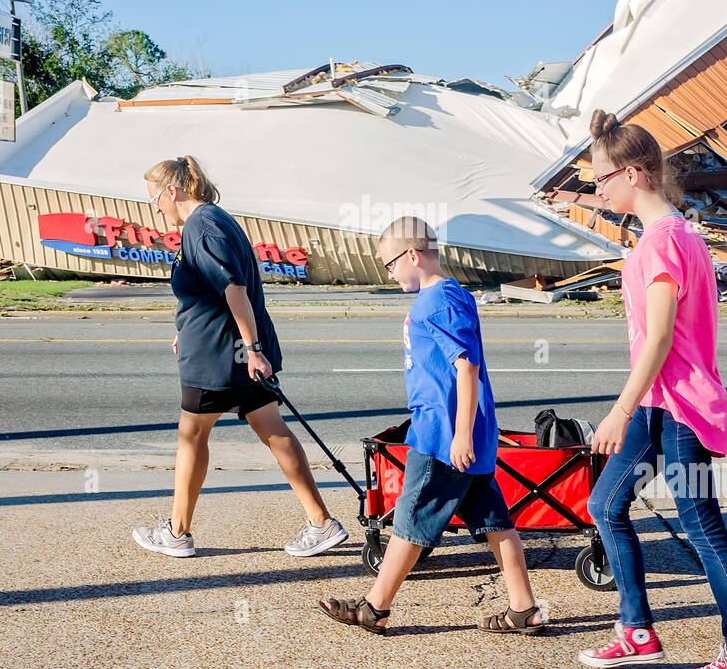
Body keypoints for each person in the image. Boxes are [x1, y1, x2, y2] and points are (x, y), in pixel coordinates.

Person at [578, 109, 727, 669]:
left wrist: (619, 410)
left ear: (634, 173)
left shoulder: (663, 243)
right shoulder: (675, 233)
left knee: (701, 523)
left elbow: (659, 339)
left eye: (601, 179)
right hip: (659, 403)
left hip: (678, 406)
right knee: (605, 505)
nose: (597, 190)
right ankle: (637, 631)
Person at [318, 216, 545, 634]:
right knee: (496, 521)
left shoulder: (436, 301)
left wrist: (459, 433)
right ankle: (523, 609)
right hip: (459, 432)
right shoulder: (449, 295)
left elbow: (466, 367)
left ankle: (375, 607)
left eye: (390, 264)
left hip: (443, 436)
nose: (389, 273)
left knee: (411, 518)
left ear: (412, 254)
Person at [131, 156, 347, 559]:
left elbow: (233, 288)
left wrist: (253, 348)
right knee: (272, 429)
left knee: (192, 435)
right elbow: (211, 290)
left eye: (154, 198)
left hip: (219, 357)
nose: (155, 208)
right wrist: (188, 328)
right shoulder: (216, 219)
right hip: (226, 349)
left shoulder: (201, 226)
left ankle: (177, 533)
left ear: (172, 191)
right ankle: (321, 522)